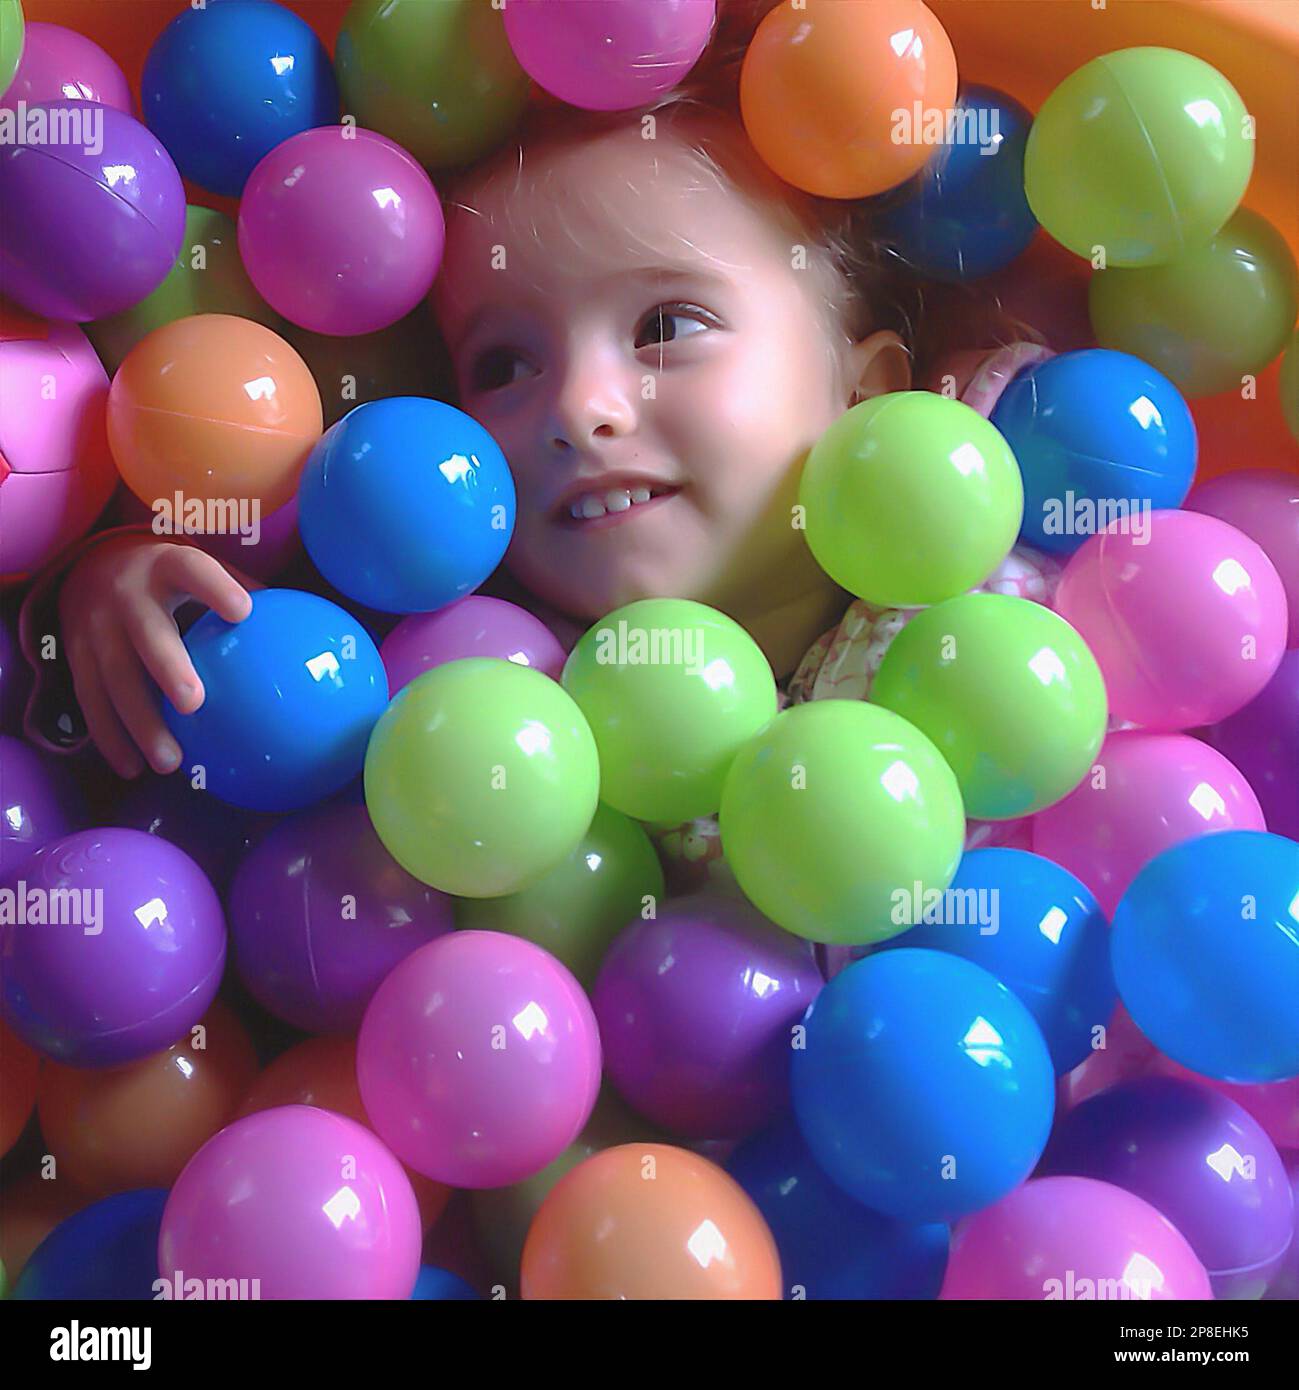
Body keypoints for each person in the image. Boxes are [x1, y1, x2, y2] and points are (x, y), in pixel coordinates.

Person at [21, 14, 1058, 893]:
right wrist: (115, 590)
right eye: (506, 363)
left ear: (866, 392)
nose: (581, 407)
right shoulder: (454, 672)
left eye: (666, 327)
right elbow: (242, 690)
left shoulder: (977, 575)